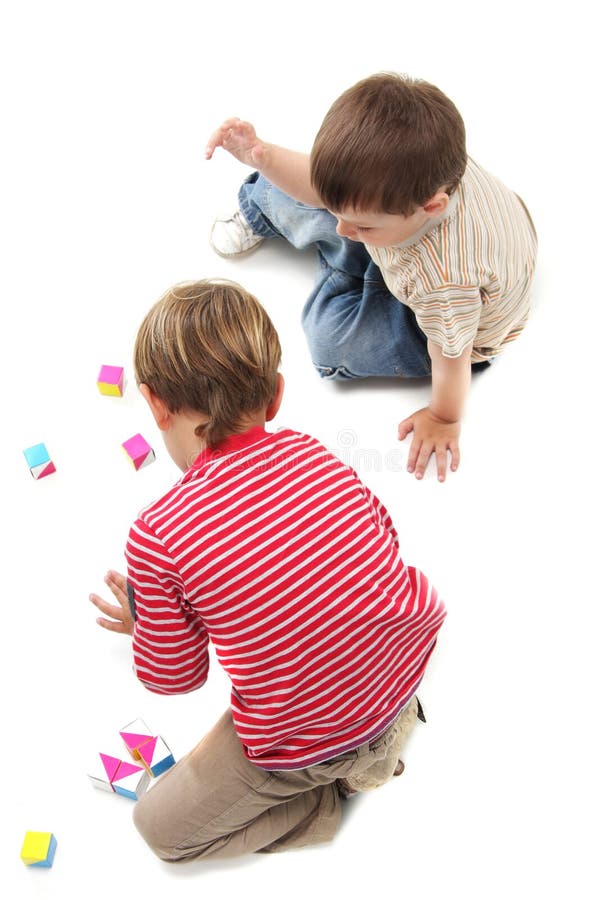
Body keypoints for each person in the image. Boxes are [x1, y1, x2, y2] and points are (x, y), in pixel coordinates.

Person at [89, 278, 446, 862]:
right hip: (406, 664)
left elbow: (175, 678)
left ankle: (333, 795)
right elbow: (384, 537)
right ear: (276, 395)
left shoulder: (157, 533)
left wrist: (147, 622)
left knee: (160, 831)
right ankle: (385, 732)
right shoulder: (313, 451)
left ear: (154, 404)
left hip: (315, 740)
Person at [205, 72, 538, 482]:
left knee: (329, 342)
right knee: (311, 187)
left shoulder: (444, 286)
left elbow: (452, 358)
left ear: (431, 207)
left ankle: (344, 266)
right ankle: (327, 235)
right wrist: (264, 156)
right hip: (429, 246)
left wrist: (444, 416)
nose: (343, 228)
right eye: (341, 216)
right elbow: (337, 199)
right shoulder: (425, 166)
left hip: (461, 328)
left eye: (362, 226)